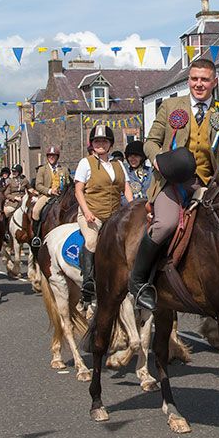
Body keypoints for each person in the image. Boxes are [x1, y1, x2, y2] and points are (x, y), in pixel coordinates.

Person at [130, 57, 219, 310]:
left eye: (204, 79)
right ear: (188, 80)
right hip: (172, 181)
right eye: (194, 79)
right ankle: (138, 281)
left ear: (214, 82)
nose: (199, 84)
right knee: (166, 224)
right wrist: (157, 159)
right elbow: (150, 141)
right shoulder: (171, 107)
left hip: (211, 183)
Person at [74, 125, 135, 304]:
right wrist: (86, 212)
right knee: (92, 241)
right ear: (92, 144)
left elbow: (126, 188)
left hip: (115, 216)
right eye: (97, 141)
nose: (101, 144)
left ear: (110, 144)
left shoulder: (118, 165)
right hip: (93, 214)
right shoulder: (85, 163)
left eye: (104, 141)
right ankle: (88, 282)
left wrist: (133, 209)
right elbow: (78, 190)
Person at [30, 146, 70, 248]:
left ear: (57, 157)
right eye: (50, 156)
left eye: (54, 156)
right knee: (35, 211)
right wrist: (49, 191)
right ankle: (36, 237)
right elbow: (38, 185)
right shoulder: (42, 169)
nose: (51, 157)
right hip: (46, 195)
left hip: (62, 195)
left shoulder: (64, 170)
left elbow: (69, 183)